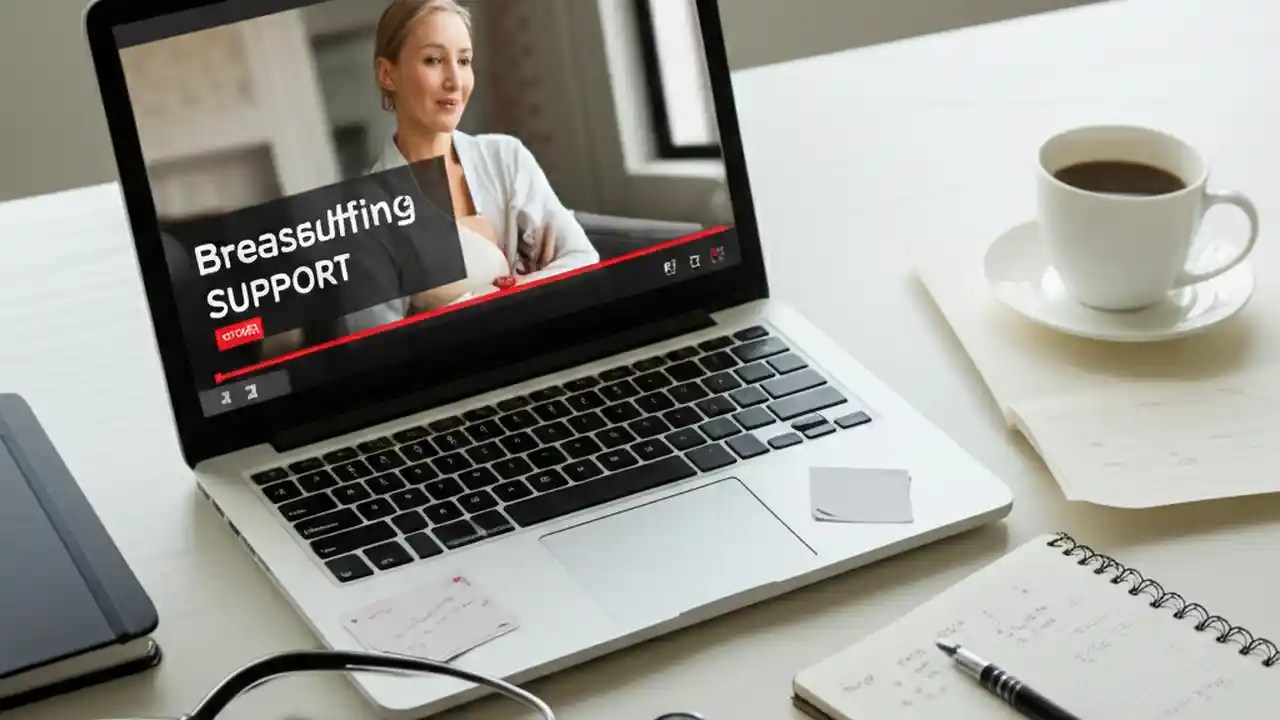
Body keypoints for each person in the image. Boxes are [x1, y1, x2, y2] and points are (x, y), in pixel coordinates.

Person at [340, 0, 599, 334]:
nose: (455, 80)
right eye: (433, 60)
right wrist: (526, 280)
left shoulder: (506, 156)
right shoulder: (364, 214)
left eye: (464, 60)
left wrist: (457, 304)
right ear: (388, 73)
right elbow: (378, 345)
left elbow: (582, 259)